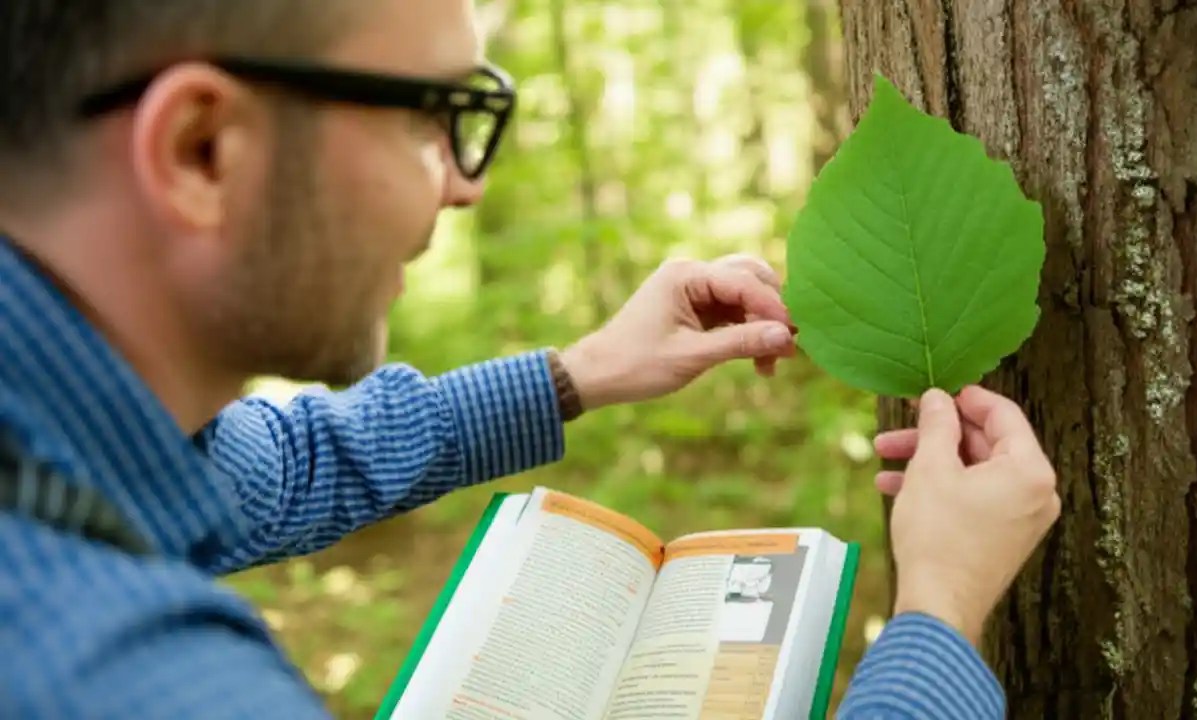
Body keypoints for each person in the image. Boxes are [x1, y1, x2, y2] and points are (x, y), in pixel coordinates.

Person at [0, 1, 1059, 717]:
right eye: (436, 118)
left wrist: (579, 372)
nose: (463, 187)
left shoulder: (54, 429)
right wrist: (939, 614)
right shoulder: (132, 676)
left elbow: (263, 468)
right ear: (201, 150)